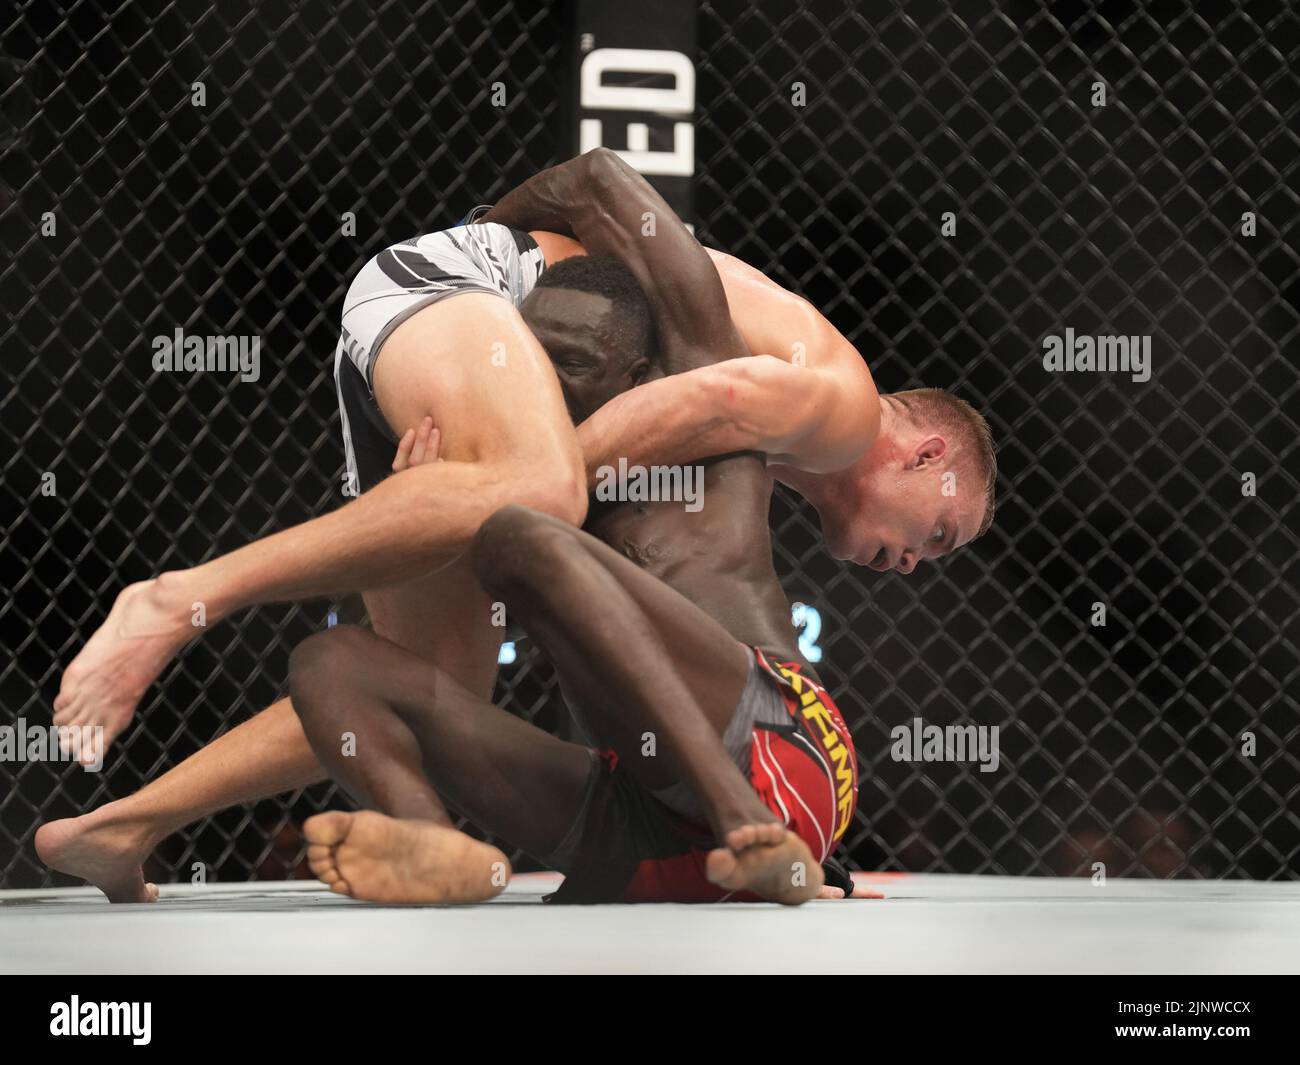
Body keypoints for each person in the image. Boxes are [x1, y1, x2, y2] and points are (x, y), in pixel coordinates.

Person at [39, 150, 994, 901]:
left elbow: (702, 401)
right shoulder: (830, 405)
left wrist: (461, 492)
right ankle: (179, 601)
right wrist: (491, 244)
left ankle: (132, 824)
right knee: (525, 504)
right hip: (458, 295)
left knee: (422, 669)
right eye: (941, 533)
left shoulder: (742, 436)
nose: (917, 562)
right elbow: (604, 198)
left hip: (714, 773)